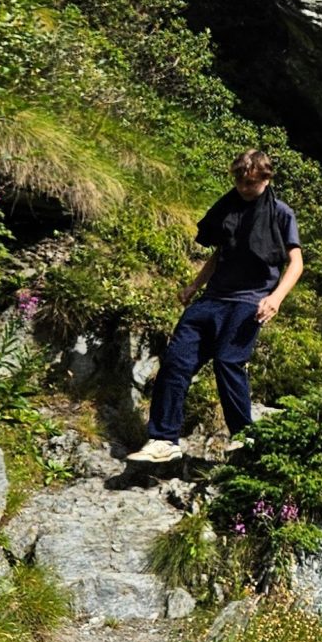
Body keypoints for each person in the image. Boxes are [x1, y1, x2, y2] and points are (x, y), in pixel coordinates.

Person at [130, 150, 301, 463]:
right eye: (238, 180)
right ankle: (163, 440)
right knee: (176, 363)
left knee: (227, 361)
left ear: (266, 178)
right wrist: (195, 285)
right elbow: (222, 253)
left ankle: (243, 437)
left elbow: (296, 263)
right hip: (212, 299)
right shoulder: (228, 209)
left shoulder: (280, 213)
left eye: (250, 182)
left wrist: (275, 298)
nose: (243, 187)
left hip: (250, 300)